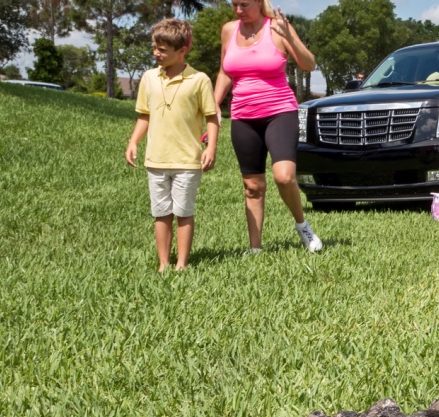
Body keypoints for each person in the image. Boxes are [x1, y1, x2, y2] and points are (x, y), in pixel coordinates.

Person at [214, 0, 321, 254]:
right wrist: (214, 104)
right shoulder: (229, 30)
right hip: (243, 116)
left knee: (284, 176)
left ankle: (302, 225)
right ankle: (255, 248)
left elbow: (310, 64)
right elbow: (224, 72)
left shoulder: (277, 28)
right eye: (234, 5)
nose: (239, 10)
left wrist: (290, 39)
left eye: (244, 4)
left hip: (280, 113)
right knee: (252, 186)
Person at [125, 18, 220, 272]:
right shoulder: (148, 78)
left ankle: (182, 264)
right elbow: (144, 114)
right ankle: (163, 264)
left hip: (187, 161)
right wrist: (134, 141)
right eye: (155, 48)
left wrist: (210, 148)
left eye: (163, 50)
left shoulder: (199, 80)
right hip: (156, 160)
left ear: (182, 50)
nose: (156, 53)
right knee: (161, 213)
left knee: (183, 212)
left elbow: (212, 117)